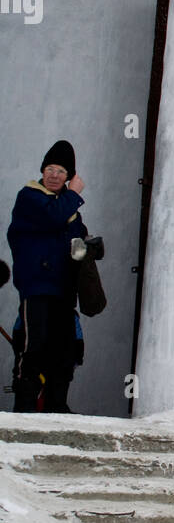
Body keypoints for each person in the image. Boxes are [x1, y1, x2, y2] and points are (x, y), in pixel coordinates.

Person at [7, 140, 87, 413]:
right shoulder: (30, 197)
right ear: (42, 171)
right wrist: (74, 193)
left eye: (61, 171)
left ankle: (56, 406)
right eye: (49, 169)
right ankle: (26, 408)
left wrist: (89, 248)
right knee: (34, 347)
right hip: (37, 288)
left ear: (69, 176)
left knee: (65, 351)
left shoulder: (69, 209)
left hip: (64, 291)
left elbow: (77, 240)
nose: (53, 175)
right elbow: (52, 218)